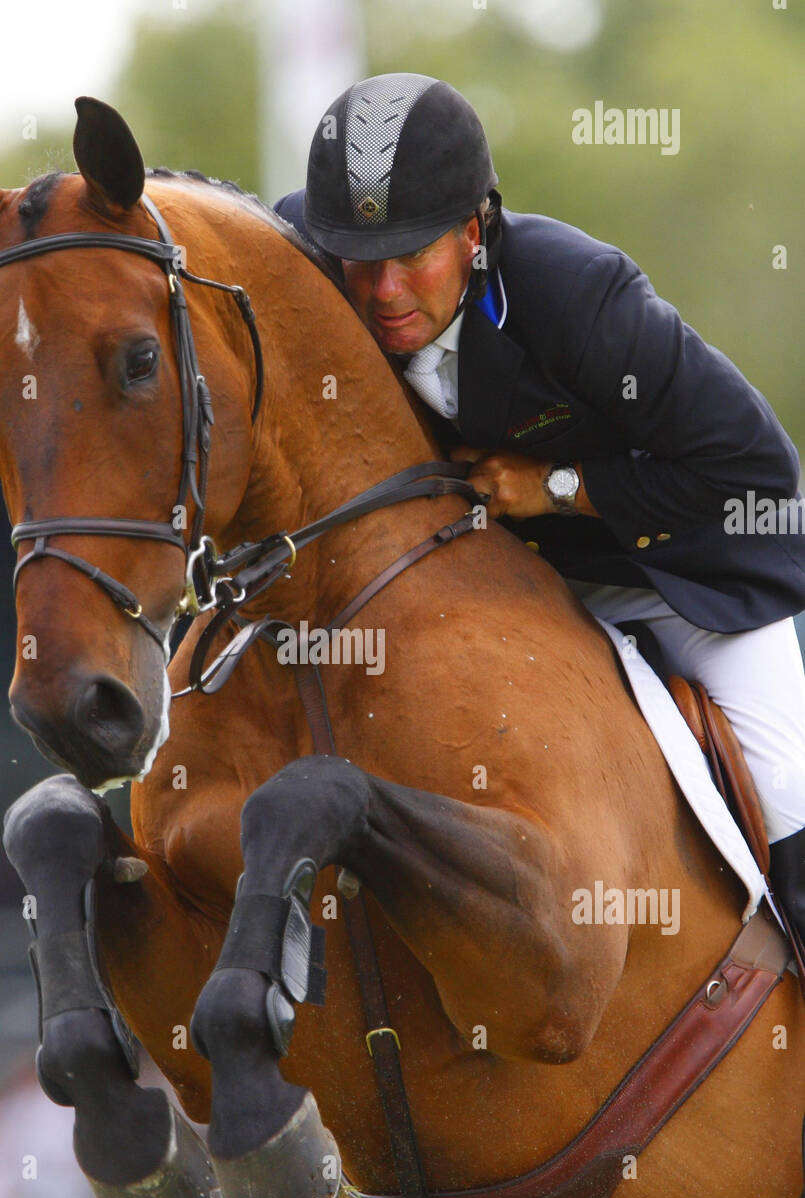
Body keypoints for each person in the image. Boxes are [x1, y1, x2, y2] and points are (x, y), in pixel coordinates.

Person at [274, 72, 805, 952]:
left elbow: (757, 470)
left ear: (474, 231)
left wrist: (559, 486)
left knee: (794, 833)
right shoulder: (315, 254)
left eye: (415, 254)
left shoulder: (581, 298)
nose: (384, 290)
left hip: (678, 580)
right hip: (505, 595)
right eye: (361, 261)